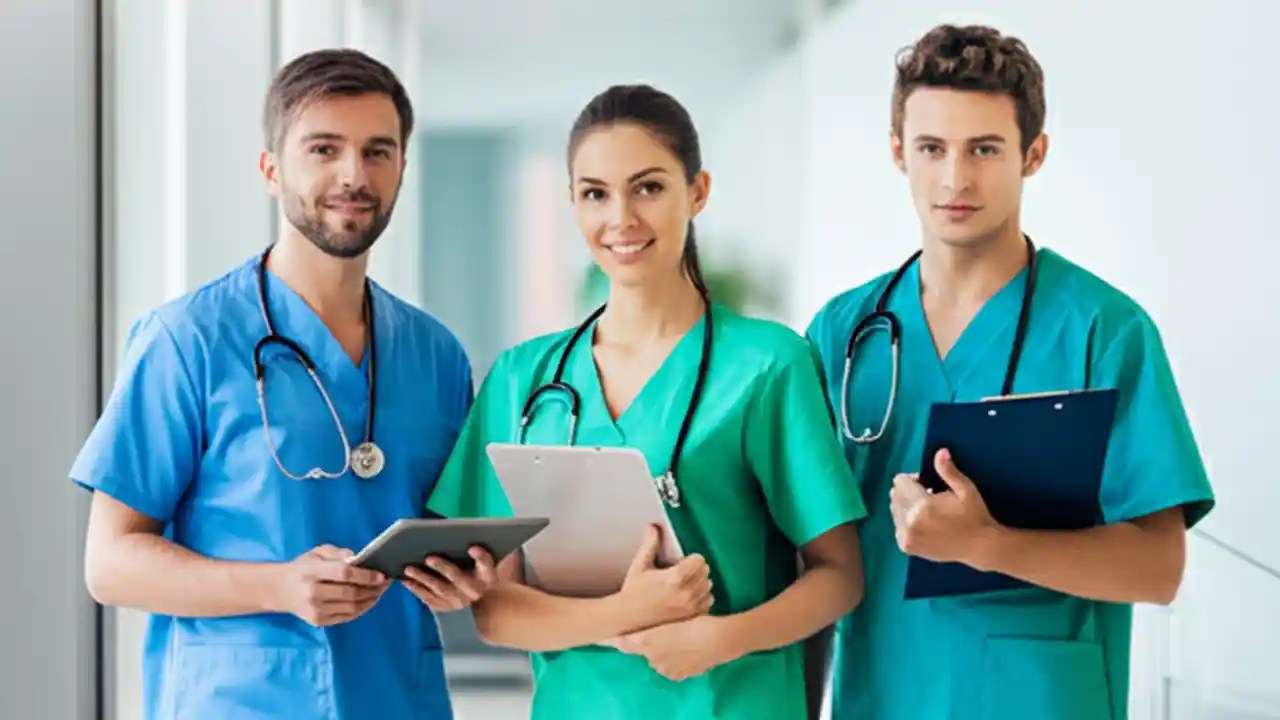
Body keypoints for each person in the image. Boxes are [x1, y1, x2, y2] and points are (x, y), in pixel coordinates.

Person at [805, 24, 1216, 720]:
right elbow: (811, 556)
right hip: (882, 696)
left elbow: (1159, 567)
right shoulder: (842, 333)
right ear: (898, 152)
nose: (955, 178)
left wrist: (987, 544)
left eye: (985, 149)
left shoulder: (1102, 330)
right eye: (932, 148)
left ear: (1034, 154)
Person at [71, 48, 494, 720]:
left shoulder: (434, 354)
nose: (353, 174)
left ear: (402, 171)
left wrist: (463, 575)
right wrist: (277, 586)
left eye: (377, 151)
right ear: (271, 169)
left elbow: (453, 532)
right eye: (324, 149)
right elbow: (110, 563)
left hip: (396, 697)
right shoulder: (188, 340)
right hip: (240, 701)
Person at [425, 83, 867, 719]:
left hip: (731, 702)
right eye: (595, 194)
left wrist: (721, 638)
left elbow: (839, 576)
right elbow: (496, 611)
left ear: (698, 192)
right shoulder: (524, 377)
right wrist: (625, 617)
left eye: (649, 187)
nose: (621, 219)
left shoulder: (768, 364)